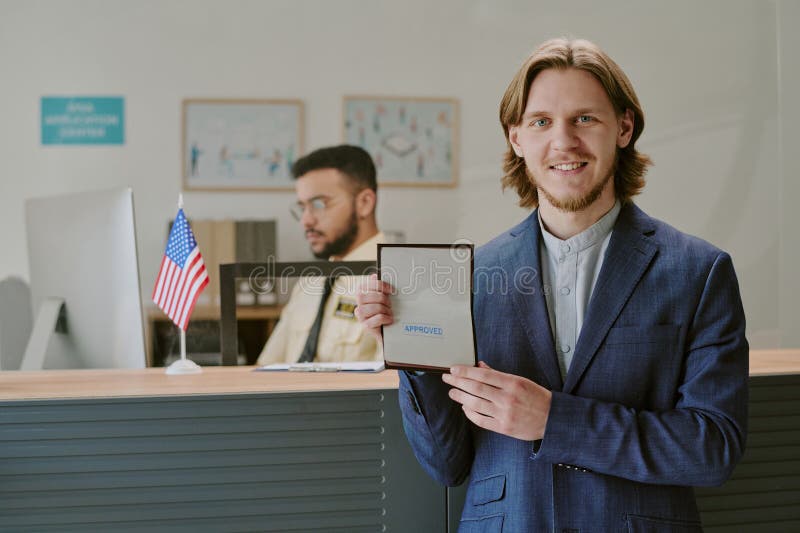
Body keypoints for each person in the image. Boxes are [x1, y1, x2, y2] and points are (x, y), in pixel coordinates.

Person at [355, 38, 748, 531]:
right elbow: (446, 465)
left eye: (584, 118)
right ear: (516, 138)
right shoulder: (470, 276)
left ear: (623, 127)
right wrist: (410, 354)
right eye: (541, 121)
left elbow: (713, 449)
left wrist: (553, 420)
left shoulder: (699, 271)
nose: (563, 142)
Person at [257, 145, 384, 365]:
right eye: (302, 207)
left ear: (364, 203)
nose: (306, 220)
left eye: (319, 204)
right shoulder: (311, 280)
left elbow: (399, 391)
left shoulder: (397, 282)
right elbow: (267, 366)